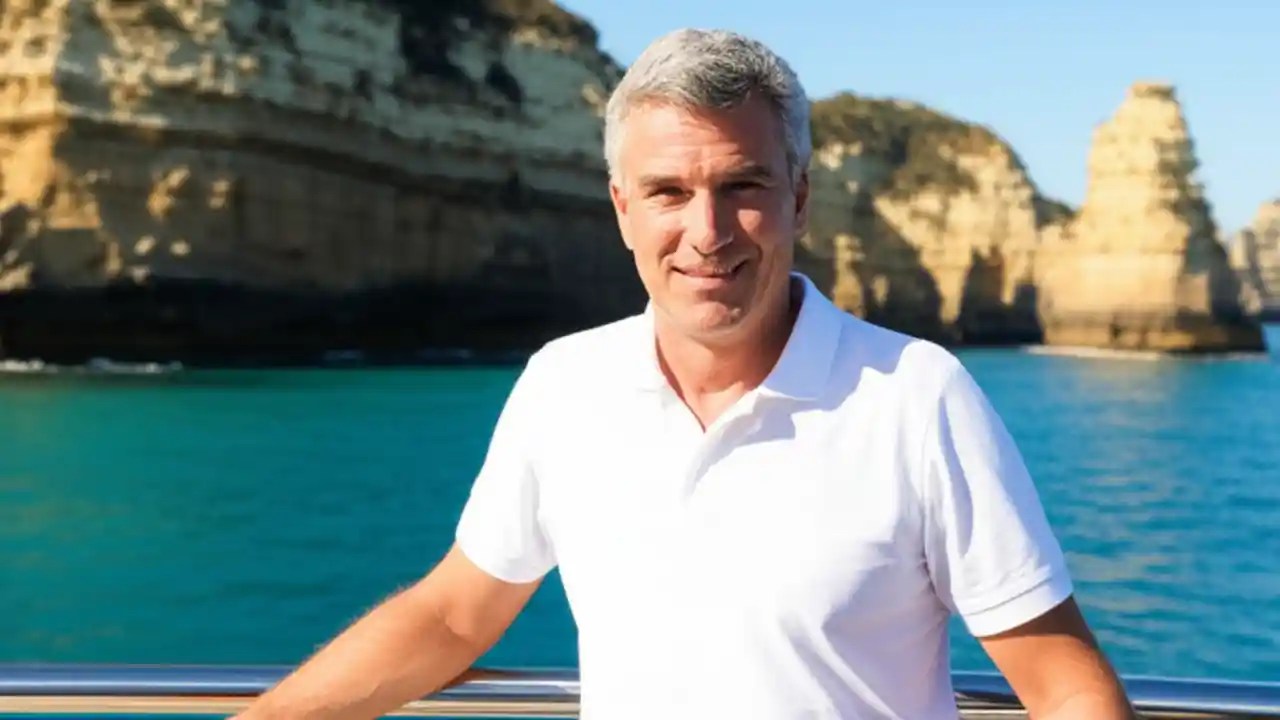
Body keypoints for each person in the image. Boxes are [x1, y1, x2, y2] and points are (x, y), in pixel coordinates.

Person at [233, 28, 1135, 720]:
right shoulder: (564, 386)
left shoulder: (916, 395)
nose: (707, 232)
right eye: (668, 191)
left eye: (742, 186)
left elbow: (1061, 686)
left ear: (800, 199)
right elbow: (454, 618)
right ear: (622, 209)